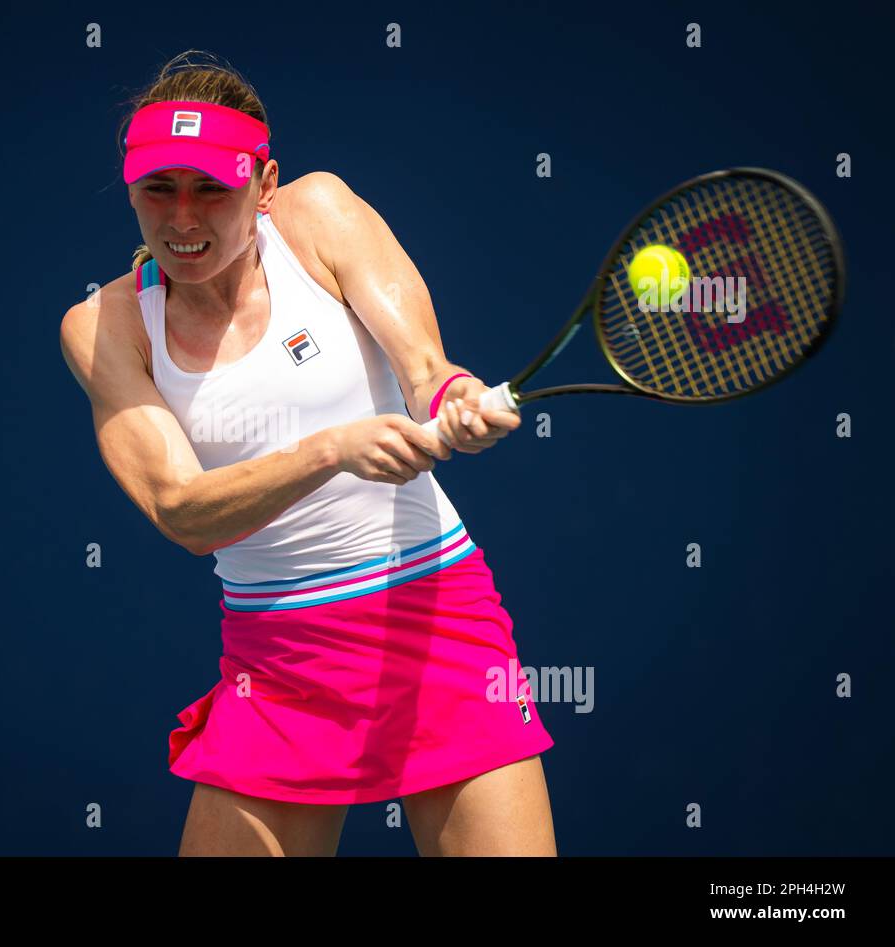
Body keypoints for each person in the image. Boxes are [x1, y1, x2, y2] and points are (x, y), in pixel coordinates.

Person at [60, 51, 556, 856]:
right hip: (278, 667)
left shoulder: (317, 215)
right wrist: (330, 448)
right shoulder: (104, 326)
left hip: (438, 627)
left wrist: (454, 399)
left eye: (210, 188)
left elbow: (427, 371)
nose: (183, 218)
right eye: (160, 188)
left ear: (263, 183)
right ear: (131, 188)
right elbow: (182, 511)